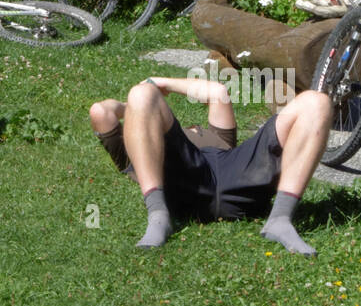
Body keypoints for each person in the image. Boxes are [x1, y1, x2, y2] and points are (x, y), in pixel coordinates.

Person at [89, 76, 332, 255]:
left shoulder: (218, 137)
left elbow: (217, 92)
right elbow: (101, 111)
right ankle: (158, 215)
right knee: (141, 95)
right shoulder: (135, 150)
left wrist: (161, 82)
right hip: (183, 179)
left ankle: (280, 219)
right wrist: (134, 105)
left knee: (316, 101)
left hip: (237, 171)